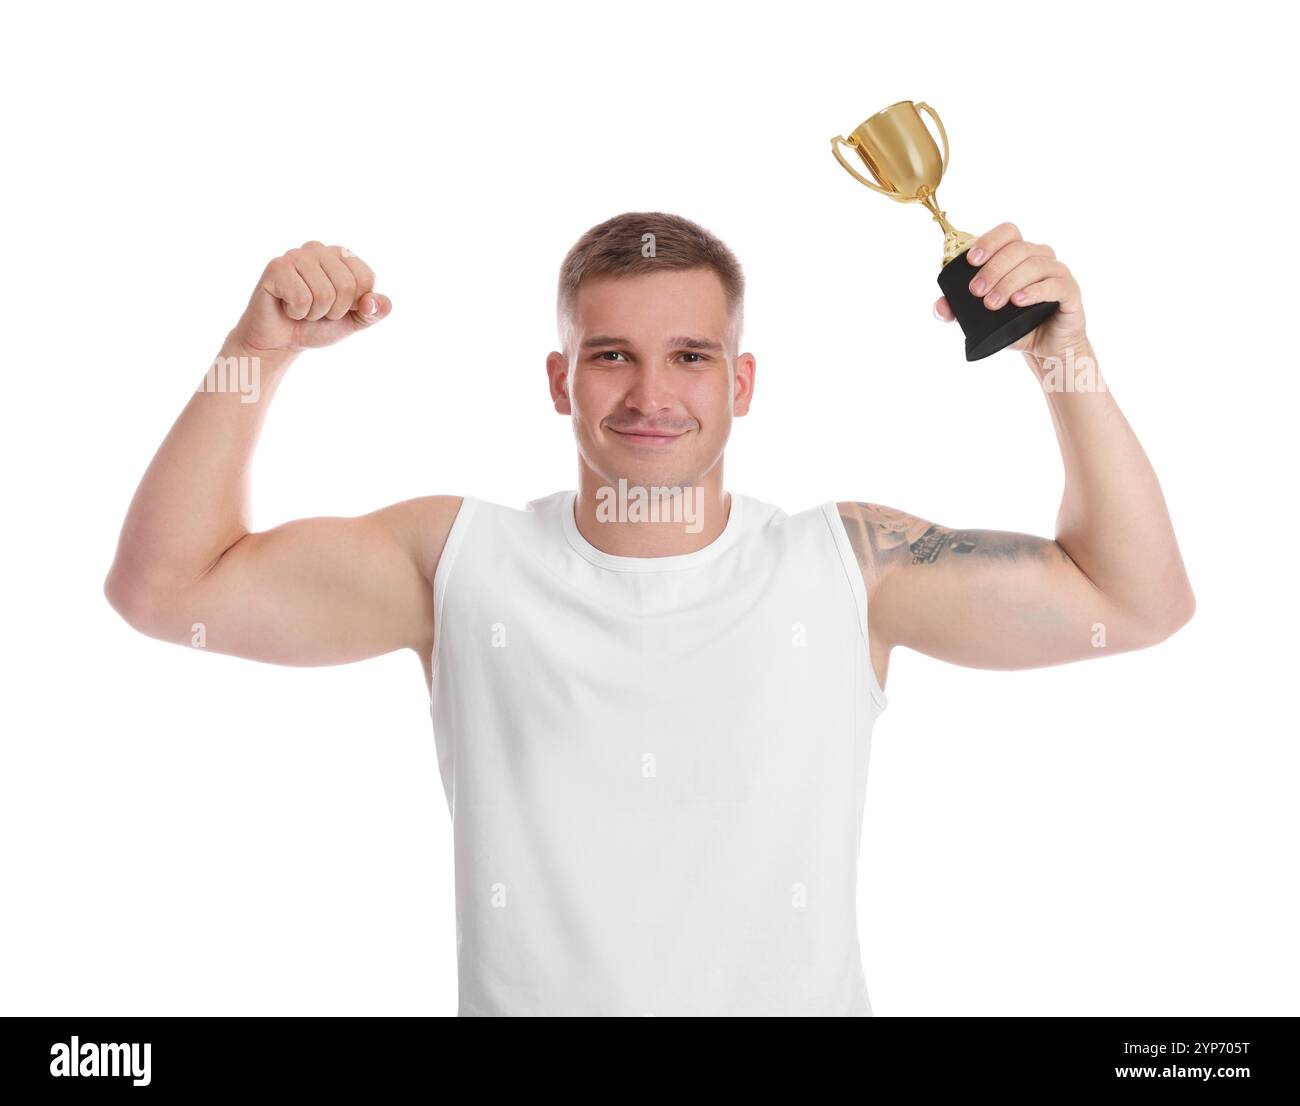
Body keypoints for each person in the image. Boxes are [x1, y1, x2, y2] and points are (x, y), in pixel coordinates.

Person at [104, 212, 1195, 1016]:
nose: (650, 394)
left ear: (743, 381)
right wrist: (261, 350)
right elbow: (166, 588)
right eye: (611, 354)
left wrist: (1063, 357)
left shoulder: (849, 564)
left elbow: (1133, 599)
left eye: (690, 356)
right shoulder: (456, 562)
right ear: (558, 378)